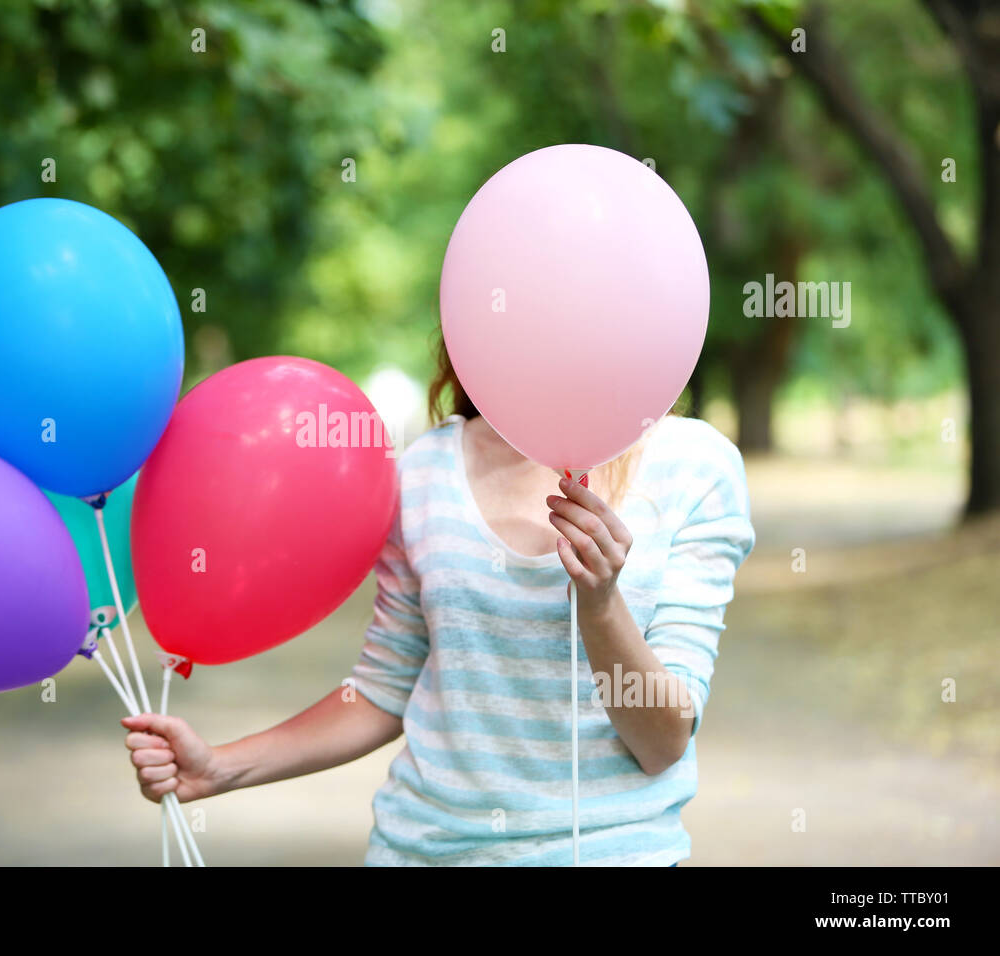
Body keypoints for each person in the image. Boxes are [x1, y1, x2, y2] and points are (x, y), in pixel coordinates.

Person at [122, 339, 755, 866]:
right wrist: (221, 768)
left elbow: (663, 740)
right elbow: (385, 686)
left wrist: (600, 605)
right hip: (423, 851)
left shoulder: (694, 466)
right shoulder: (425, 469)